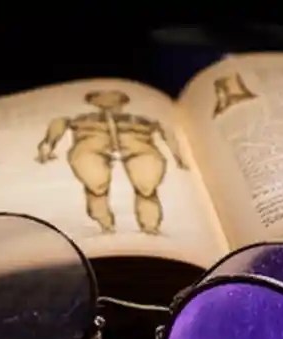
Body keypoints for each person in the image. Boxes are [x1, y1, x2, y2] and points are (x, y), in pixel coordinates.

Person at [36, 90, 187, 235]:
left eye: (114, 98)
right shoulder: (83, 120)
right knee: (96, 184)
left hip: (139, 147)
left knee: (147, 186)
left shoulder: (140, 122)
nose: (108, 102)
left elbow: (164, 129)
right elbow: (61, 122)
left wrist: (178, 156)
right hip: (91, 145)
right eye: (101, 98)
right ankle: (105, 223)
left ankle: (150, 225)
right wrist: (48, 144)